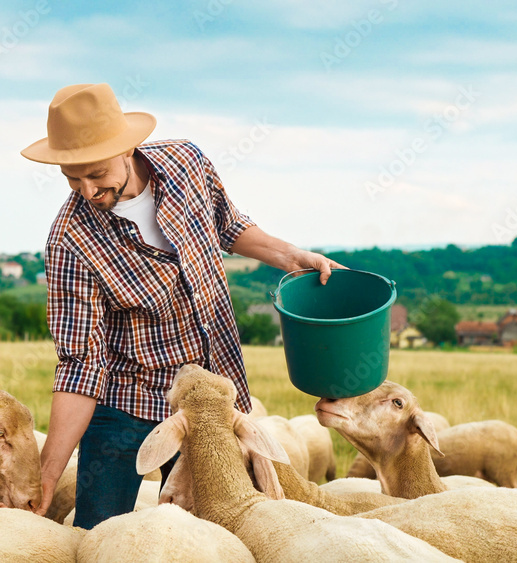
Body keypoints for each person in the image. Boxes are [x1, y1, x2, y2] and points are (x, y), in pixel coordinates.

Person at [20, 83, 344, 529]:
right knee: (98, 534)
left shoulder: (186, 164)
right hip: (124, 403)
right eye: (72, 178)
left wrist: (291, 257)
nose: (87, 191)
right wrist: (48, 476)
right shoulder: (71, 241)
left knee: (219, 529)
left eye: (95, 174)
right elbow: (80, 365)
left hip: (207, 399)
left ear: (127, 147)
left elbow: (228, 225)